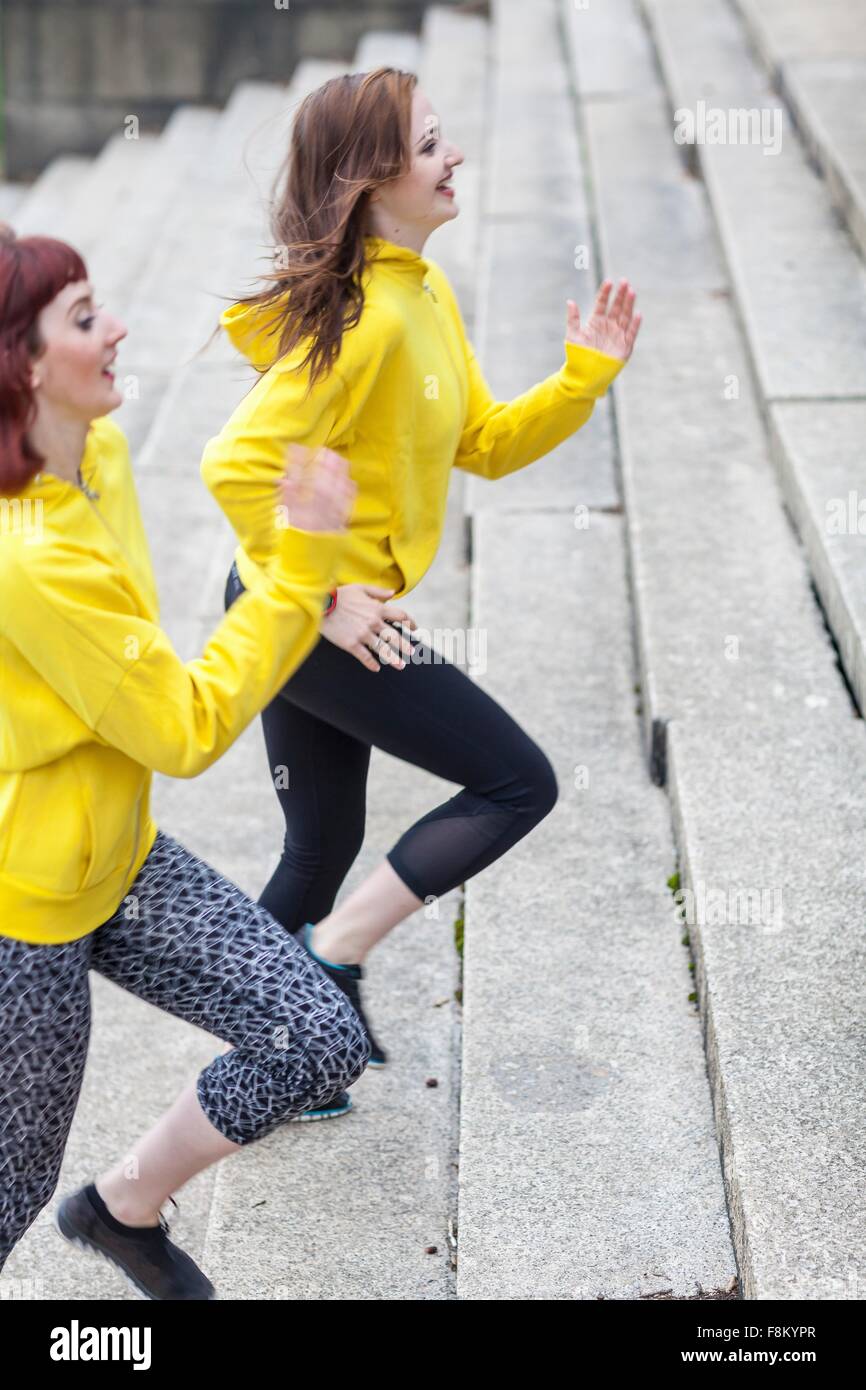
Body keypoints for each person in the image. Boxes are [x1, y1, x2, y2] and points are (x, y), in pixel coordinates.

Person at [201, 66, 642, 1074]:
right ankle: (334, 955)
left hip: (297, 602)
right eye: (432, 145)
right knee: (515, 782)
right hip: (314, 614)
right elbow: (232, 461)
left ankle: (269, 1057)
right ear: (369, 179)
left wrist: (582, 380)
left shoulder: (422, 290)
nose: (456, 158)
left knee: (320, 845)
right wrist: (321, 595)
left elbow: (481, 441)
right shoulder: (367, 321)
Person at [0, 225, 370, 1300]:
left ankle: (122, 1208)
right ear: (25, 366)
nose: (117, 327)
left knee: (315, 1039)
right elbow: (185, 727)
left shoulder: (99, 455)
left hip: (119, 854)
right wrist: (301, 568)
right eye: (84, 318)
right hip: (25, 905)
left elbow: (144, 685)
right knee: (10, 1186)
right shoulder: (30, 555)